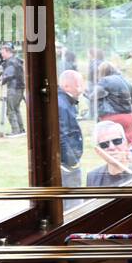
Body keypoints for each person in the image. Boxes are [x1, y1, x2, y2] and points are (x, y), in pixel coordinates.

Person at [57, 69, 84, 202]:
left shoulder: (66, 102)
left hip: (69, 161)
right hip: (67, 165)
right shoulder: (62, 105)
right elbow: (61, 135)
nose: (81, 89)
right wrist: (71, 162)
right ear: (66, 86)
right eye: (78, 85)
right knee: (73, 204)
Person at [92, 61, 132, 144]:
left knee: (111, 146)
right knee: (129, 144)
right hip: (128, 117)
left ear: (102, 71)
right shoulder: (125, 80)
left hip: (112, 117)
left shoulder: (105, 80)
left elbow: (94, 96)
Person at [86, 120, 132, 187]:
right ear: (98, 151)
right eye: (104, 145)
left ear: (126, 143)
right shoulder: (92, 178)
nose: (112, 147)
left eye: (117, 141)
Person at [0, 43, 26, 137]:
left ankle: (15, 130)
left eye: (3, 52)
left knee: (10, 110)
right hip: (20, 88)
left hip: (13, 89)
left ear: (8, 51)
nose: (1, 54)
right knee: (16, 109)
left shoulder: (10, 62)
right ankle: (21, 129)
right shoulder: (17, 61)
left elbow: (8, 75)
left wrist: (2, 79)